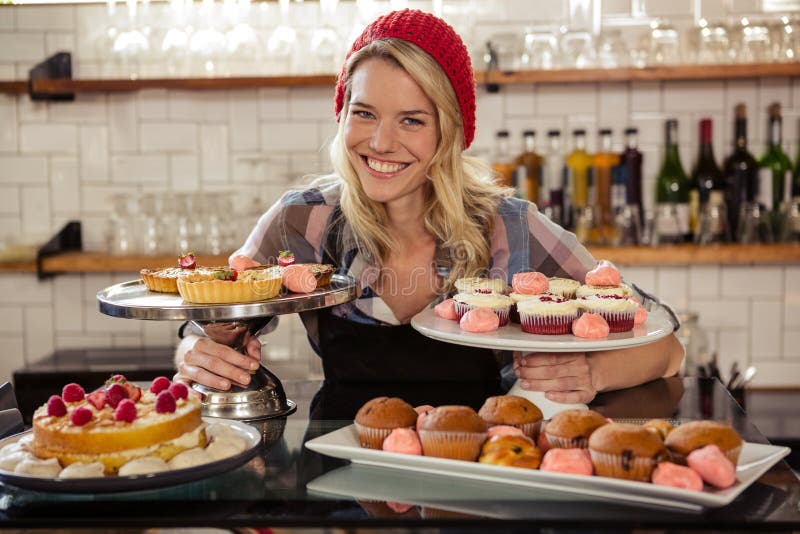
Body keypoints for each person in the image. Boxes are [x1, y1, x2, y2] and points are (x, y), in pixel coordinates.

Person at [174, 9, 683, 418]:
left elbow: (665, 347)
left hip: (478, 480)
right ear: (342, 114)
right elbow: (214, 323)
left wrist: (592, 374)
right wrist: (197, 354)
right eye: (364, 112)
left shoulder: (510, 227)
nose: (380, 142)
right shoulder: (303, 222)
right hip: (342, 486)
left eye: (412, 120)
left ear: (450, 133)